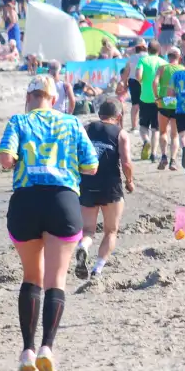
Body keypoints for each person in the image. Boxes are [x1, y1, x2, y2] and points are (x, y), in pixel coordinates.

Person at [0, 76, 98, 371]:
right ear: (54, 99)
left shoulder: (19, 121)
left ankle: (27, 352)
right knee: (56, 279)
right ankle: (46, 350)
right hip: (62, 200)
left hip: (26, 201)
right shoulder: (71, 123)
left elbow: (5, 158)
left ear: (29, 98)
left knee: (31, 277)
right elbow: (91, 166)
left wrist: (19, 159)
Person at [74, 99, 133, 279]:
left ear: (99, 114)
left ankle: (83, 246)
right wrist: (130, 181)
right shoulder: (121, 133)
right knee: (111, 231)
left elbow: (76, 153)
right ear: (119, 116)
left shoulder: (86, 128)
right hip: (111, 186)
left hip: (87, 183)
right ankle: (97, 268)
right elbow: (126, 162)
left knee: (88, 230)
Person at [135, 40, 166, 161]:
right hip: (158, 98)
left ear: (148, 50)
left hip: (145, 97)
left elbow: (138, 76)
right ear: (159, 50)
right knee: (156, 128)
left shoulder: (143, 60)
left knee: (143, 126)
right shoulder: (163, 62)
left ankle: (146, 140)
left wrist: (142, 81)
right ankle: (153, 153)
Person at [154, 49, 184, 171]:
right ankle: (173, 160)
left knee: (162, 132)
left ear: (168, 56)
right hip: (177, 103)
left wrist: (156, 96)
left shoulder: (162, 68)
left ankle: (163, 156)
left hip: (164, 102)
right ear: (179, 57)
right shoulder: (182, 69)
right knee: (174, 135)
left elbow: (155, 82)